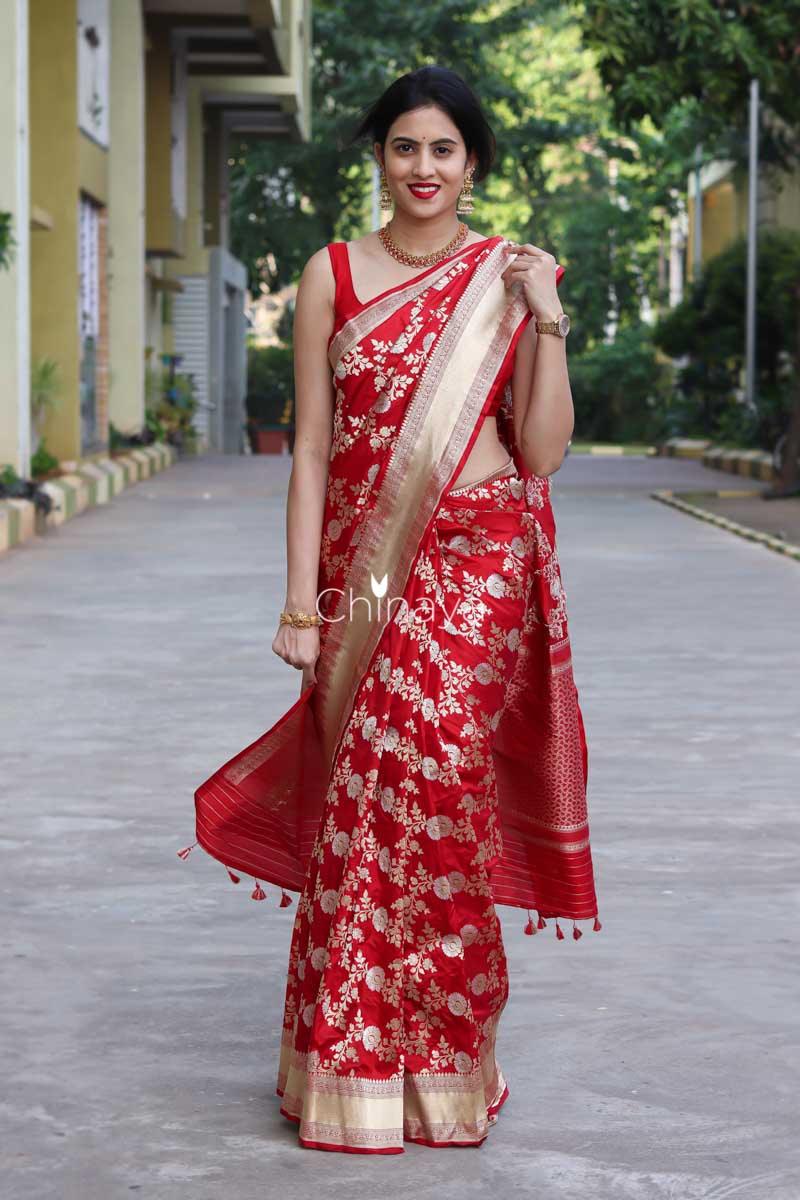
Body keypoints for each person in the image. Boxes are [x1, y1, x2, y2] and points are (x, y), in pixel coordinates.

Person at [181, 65, 600, 1155]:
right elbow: (312, 449)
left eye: (443, 150)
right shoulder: (332, 273)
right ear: (379, 157)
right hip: (365, 574)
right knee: (365, 797)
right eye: (405, 147)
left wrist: (545, 322)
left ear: (473, 164)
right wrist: (298, 605)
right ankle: (353, 1064)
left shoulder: (506, 278)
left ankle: (450, 1060)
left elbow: (541, 452)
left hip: (478, 563)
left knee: (441, 788)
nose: (423, 168)